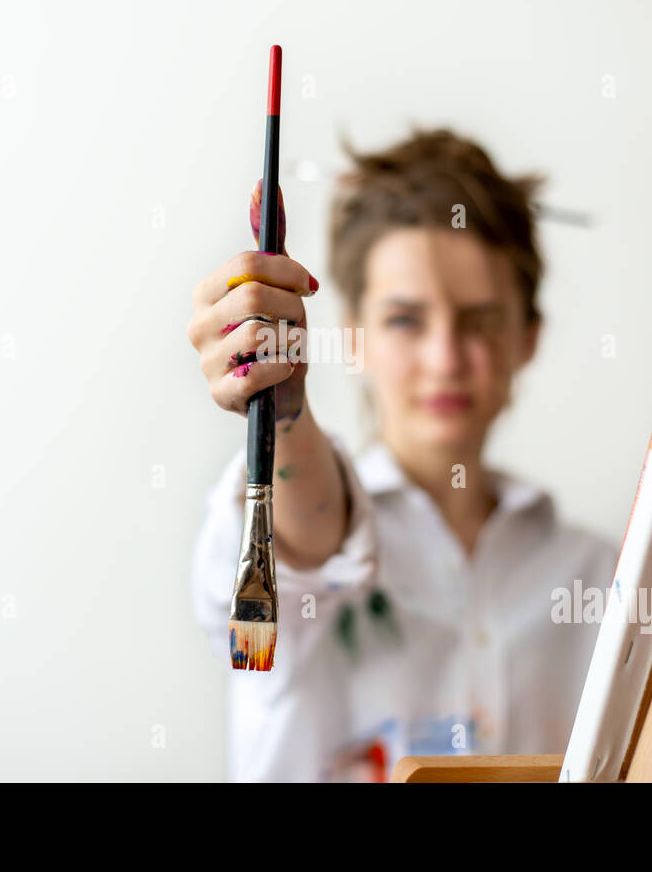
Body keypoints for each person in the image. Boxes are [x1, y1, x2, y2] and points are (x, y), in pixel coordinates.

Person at [185, 126, 619, 782]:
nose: (445, 360)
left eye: (479, 321)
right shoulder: (307, 521)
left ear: (528, 337)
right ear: (352, 337)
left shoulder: (604, 578)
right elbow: (297, 556)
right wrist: (286, 410)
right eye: (405, 321)